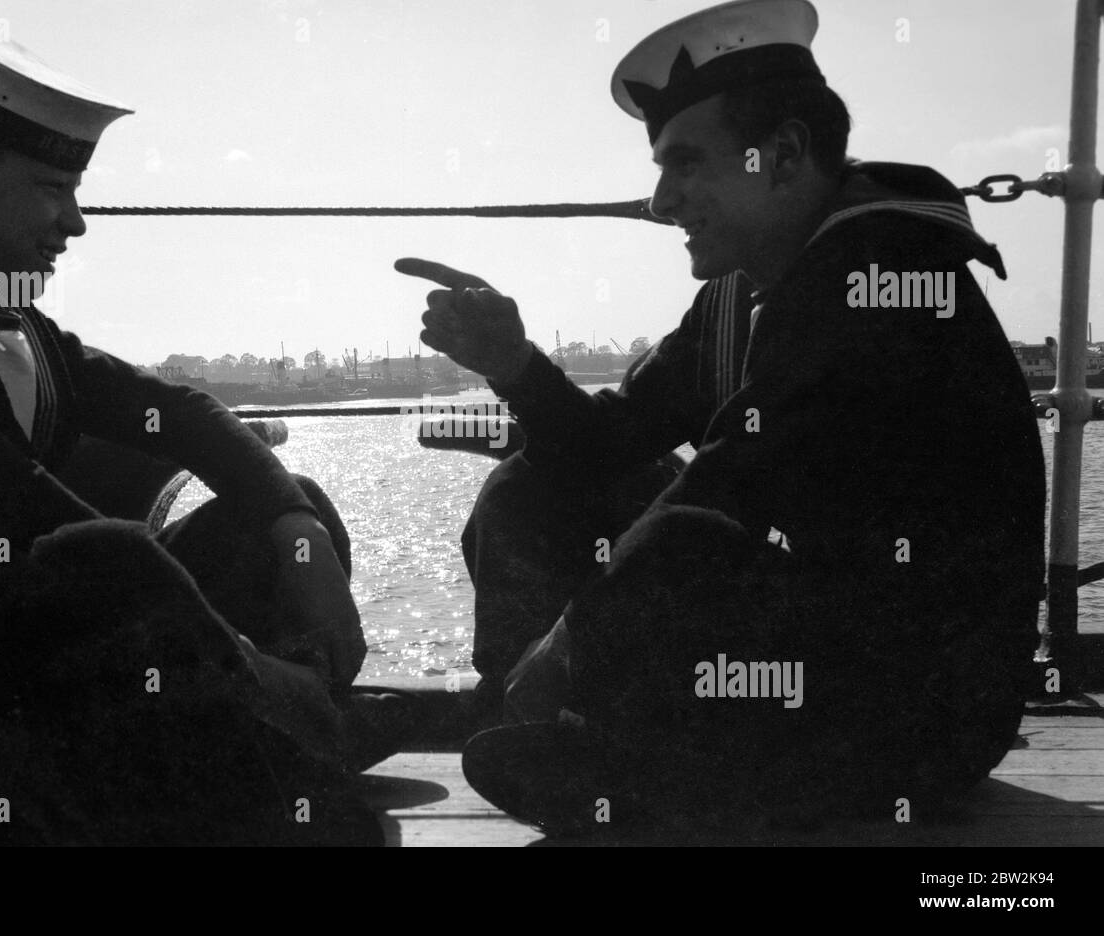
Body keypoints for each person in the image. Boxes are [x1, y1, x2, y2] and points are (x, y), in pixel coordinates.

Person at [397, 0, 1044, 837]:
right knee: (531, 486)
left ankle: (607, 746)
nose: (663, 202)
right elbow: (609, 446)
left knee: (683, 544)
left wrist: (570, 641)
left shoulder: (885, 280)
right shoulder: (741, 291)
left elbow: (730, 491)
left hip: (915, 713)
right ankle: (553, 726)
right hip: (800, 637)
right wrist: (514, 364)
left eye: (685, 164)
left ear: (781, 155)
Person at [0, 2, 390, 846]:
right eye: (53, 191)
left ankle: (279, 730)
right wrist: (256, 669)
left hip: (13, 685)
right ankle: (298, 731)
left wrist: (298, 529)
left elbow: (179, 415)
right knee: (110, 564)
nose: (75, 224)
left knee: (278, 506)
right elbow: (28, 514)